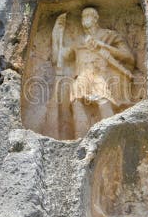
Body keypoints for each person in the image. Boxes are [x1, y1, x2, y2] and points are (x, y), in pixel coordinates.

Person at [54, 7, 135, 138]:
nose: (83, 19)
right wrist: (56, 34)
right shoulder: (78, 40)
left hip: (100, 75)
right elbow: (59, 56)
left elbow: (128, 56)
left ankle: (111, 136)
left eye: (87, 16)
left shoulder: (109, 35)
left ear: (95, 18)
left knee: (103, 99)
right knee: (76, 100)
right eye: (82, 17)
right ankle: (80, 138)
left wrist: (103, 45)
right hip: (81, 77)